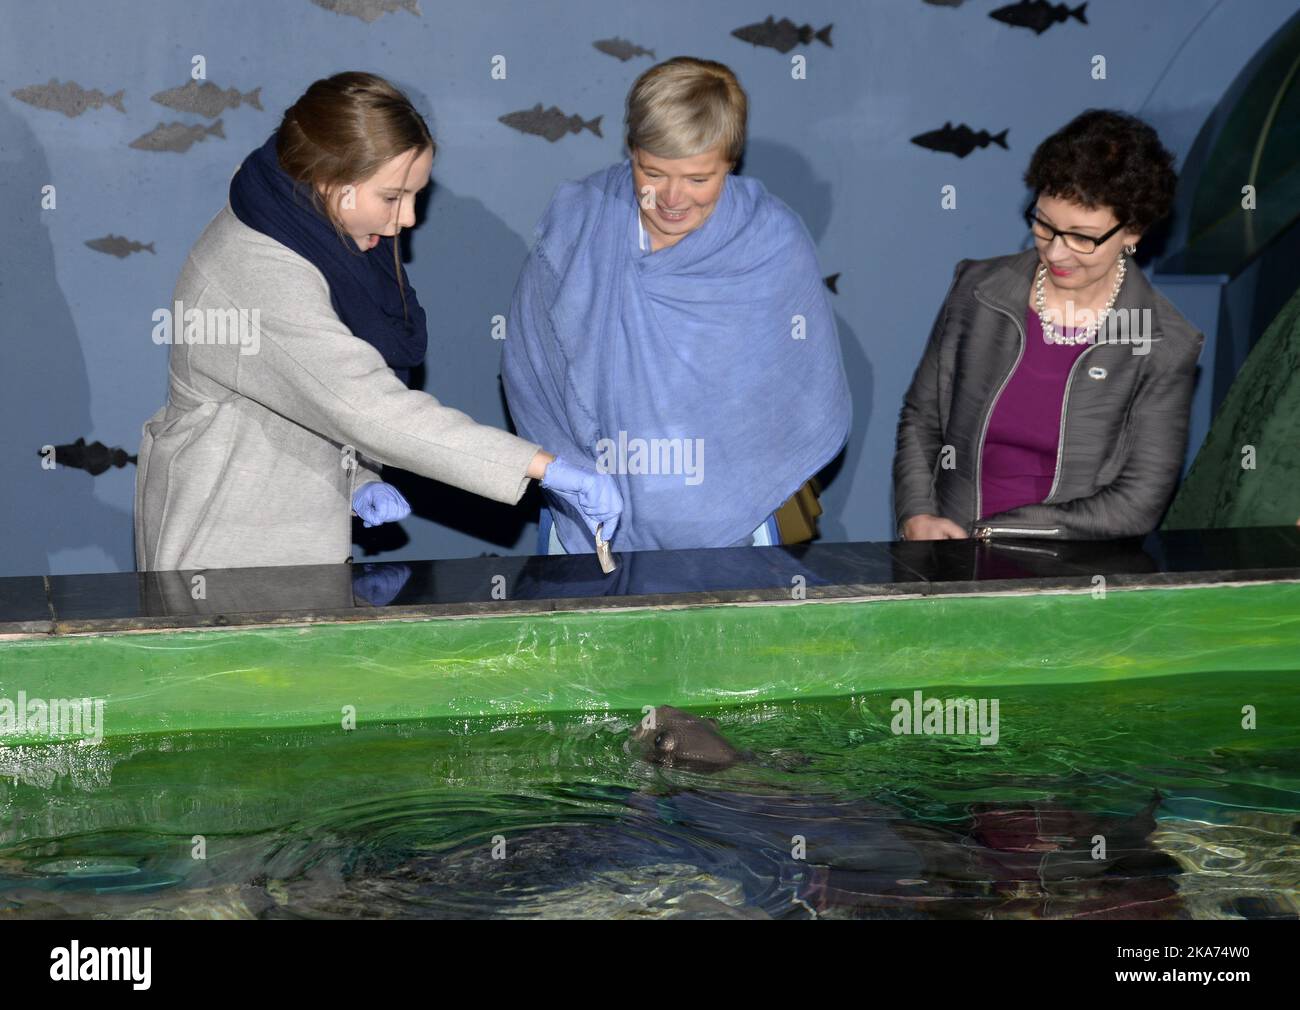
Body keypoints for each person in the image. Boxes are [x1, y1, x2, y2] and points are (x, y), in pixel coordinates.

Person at [135, 73, 621, 571]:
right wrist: (542, 466)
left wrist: (357, 477)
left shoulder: (303, 227)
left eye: (415, 195)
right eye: (391, 198)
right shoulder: (257, 271)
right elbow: (363, 405)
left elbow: (302, 396)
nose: (407, 218)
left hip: (286, 549)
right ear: (329, 183)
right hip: (222, 560)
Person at [502, 57, 851, 555]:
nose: (671, 197)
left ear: (731, 161)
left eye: (697, 178)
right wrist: (575, 477)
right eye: (652, 171)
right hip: (588, 523)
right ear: (631, 151)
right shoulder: (576, 225)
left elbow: (801, 398)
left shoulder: (771, 241)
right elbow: (529, 370)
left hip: (734, 524)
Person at [893, 109, 1204, 541]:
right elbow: (922, 417)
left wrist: (997, 533)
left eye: (1082, 237)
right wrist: (917, 515)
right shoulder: (978, 289)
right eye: (1044, 224)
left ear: (1133, 231)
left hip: (1070, 580)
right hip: (951, 558)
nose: (1056, 253)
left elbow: (1138, 503)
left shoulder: (1162, 341)